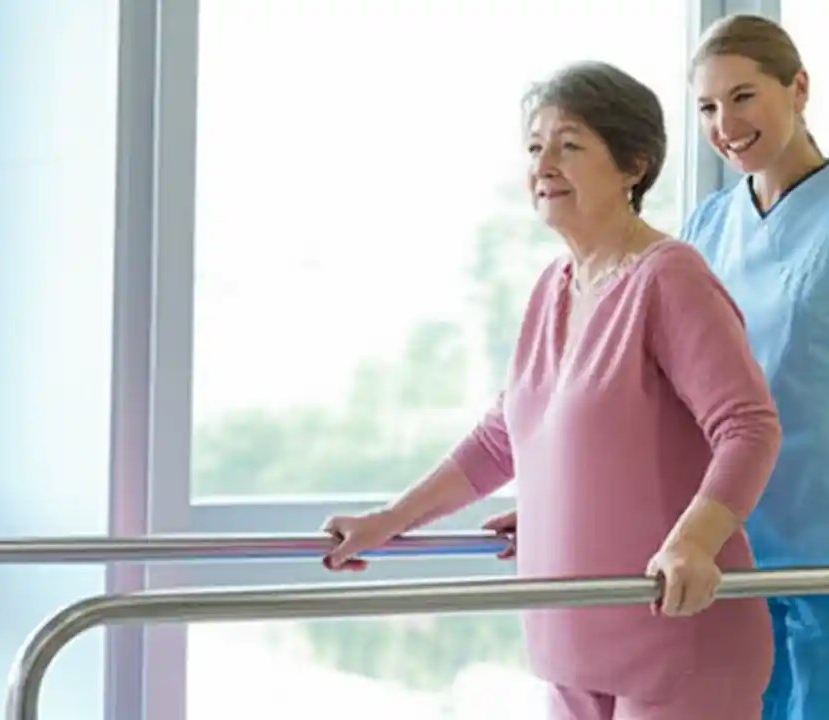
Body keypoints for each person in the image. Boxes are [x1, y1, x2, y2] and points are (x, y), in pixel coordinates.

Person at [485, 15, 829, 720]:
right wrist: (569, 499)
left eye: (743, 96)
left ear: (799, 88)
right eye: (708, 108)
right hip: (732, 550)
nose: (726, 123)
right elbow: (673, 396)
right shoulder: (707, 226)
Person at [320, 60, 782, 720]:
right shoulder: (553, 286)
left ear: (633, 166)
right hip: (573, 644)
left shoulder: (669, 279)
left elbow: (749, 427)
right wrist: (386, 522)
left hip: (679, 638)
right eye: (535, 148)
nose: (543, 166)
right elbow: (499, 441)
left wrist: (693, 542)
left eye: (569, 145)